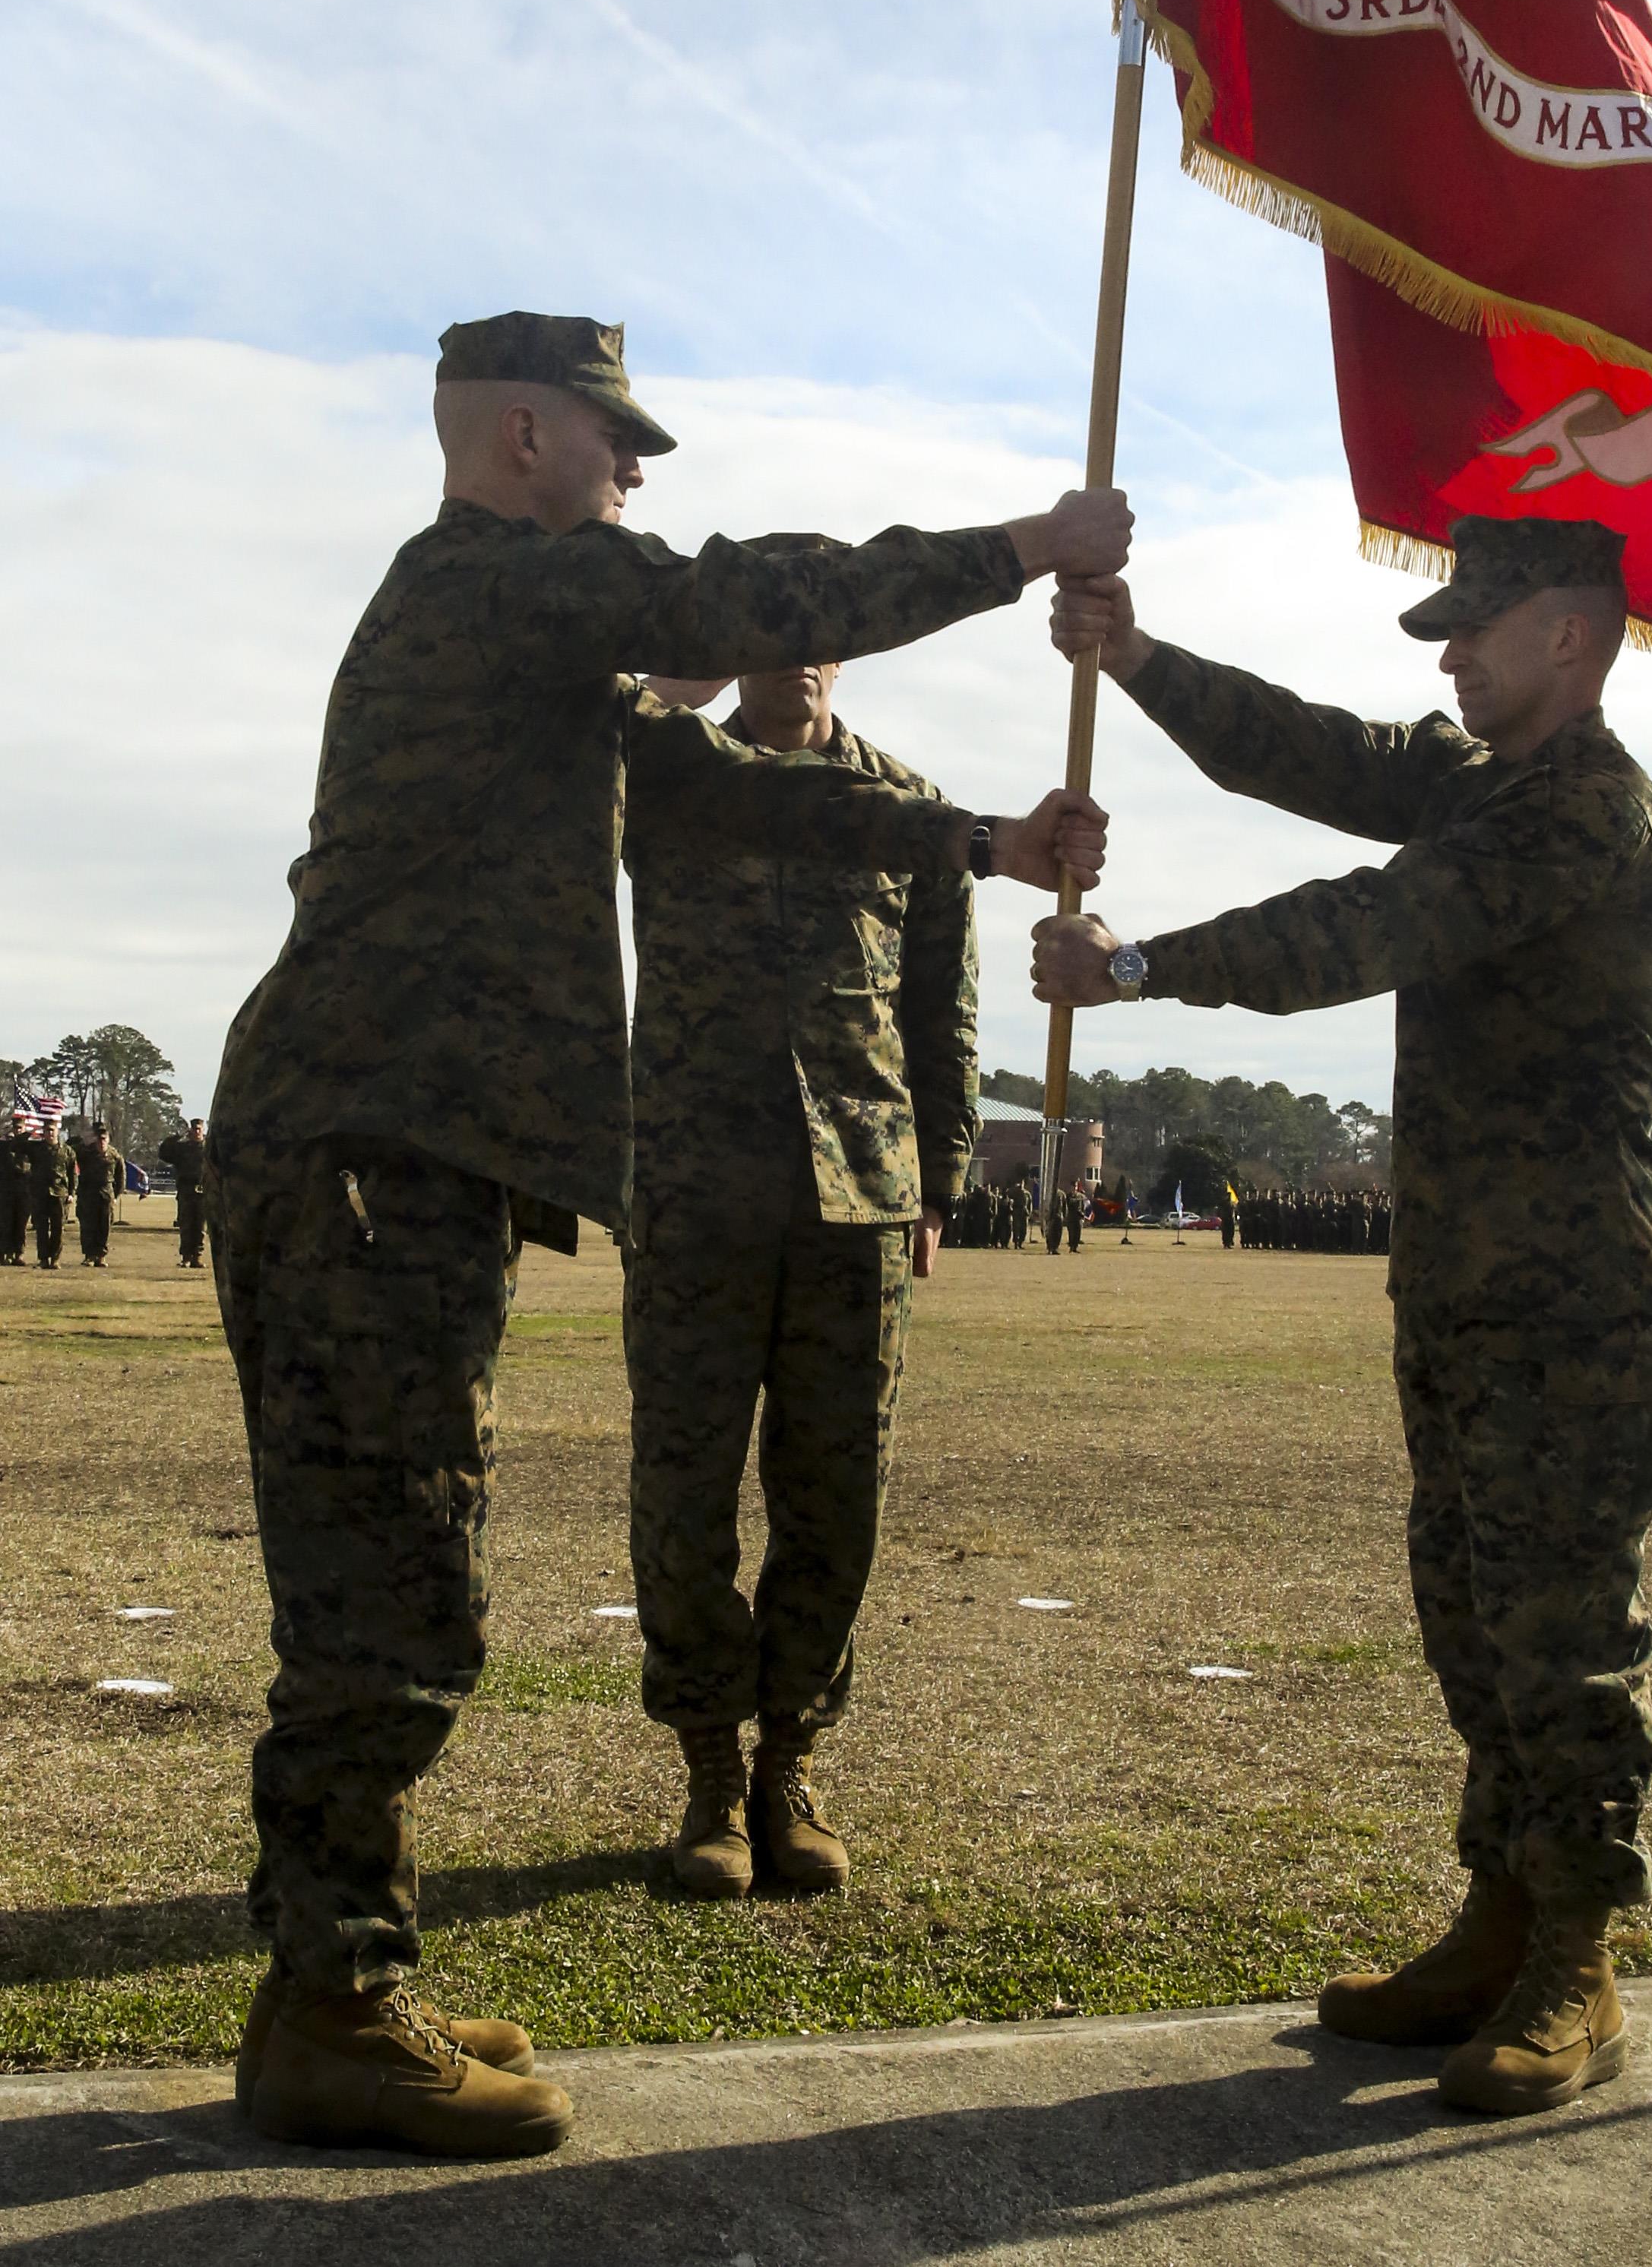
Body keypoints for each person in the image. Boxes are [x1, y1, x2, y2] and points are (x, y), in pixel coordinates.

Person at [207, 307, 1128, 2162]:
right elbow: (750, 597)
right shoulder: (493, 583)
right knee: (389, 1593)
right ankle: (330, 2006)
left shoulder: (537, 647)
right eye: (619, 445)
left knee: (405, 1575)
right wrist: (1028, 546)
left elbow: (736, 788)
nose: (635, 476)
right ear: (526, 434)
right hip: (368, 1152)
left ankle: (342, 1964)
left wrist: (979, 850)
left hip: (406, 1156)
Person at [1036, 515, 1652, 2119]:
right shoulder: (1482, 780)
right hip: (1464, 1279)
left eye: (1475, 627)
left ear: (1568, 636)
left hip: (1574, 1296)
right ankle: (1502, 1914)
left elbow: (1370, 922)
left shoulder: (1589, 816)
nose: (1449, 652)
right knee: (1471, 1619)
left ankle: (1578, 1960)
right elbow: (1309, 752)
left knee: (1559, 1638)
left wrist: (1140, 970)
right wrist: (1135, 662)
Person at [623, 637, 1023, 1899]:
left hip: (855, 1196)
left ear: (845, 649)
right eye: (762, 625)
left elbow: (941, 1008)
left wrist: (940, 1177)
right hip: (695, 1189)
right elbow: (588, 718)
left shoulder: (911, 813)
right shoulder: (671, 779)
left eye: (814, 627)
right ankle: (704, 1770)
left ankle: (785, 1764)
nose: (791, 653)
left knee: (836, 1495)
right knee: (683, 1493)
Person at [159, 1118, 210, 1268]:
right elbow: (164, 1154)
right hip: (186, 1190)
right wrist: (176, 1137)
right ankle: (186, 1256)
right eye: (194, 1129)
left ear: (203, 1130)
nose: (197, 1132)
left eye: (199, 1129)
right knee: (186, 1224)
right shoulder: (182, 1148)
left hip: (202, 1191)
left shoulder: (208, 1149)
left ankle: (198, 1256)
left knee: (201, 1227)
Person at [73, 1128, 125, 1268]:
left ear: (108, 1140)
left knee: (105, 1226)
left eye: (104, 1139)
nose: (102, 1143)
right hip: (88, 1193)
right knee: (88, 1226)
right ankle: (89, 1255)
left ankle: (101, 1256)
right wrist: (83, 1142)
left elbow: (120, 1177)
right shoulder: (86, 1152)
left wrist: (117, 1196)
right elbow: (70, 1152)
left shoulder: (114, 1155)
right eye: (99, 1139)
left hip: (106, 1194)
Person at [27, 1122, 74, 1268]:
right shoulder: (36, 1149)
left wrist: (72, 1193)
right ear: (43, 1133)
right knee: (41, 1228)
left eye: (52, 1130)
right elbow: (16, 1146)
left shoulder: (67, 1151)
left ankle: (55, 1259)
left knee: (58, 1228)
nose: (50, 1133)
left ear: (58, 1132)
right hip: (40, 1193)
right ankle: (43, 1259)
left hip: (59, 1193)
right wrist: (29, 1132)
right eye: (47, 1131)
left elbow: (72, 1174)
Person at [0, 1109, 33, 1264]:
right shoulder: (5, 1146)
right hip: (6, 1190)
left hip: (24, 1190)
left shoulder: (31, 1147)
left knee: (21, 1224)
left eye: (20, 1128)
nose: (18, 1130)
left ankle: (19, 1253)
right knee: (6, 1223)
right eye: (15, 1128)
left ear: (24, 1128)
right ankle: (6, 1253)